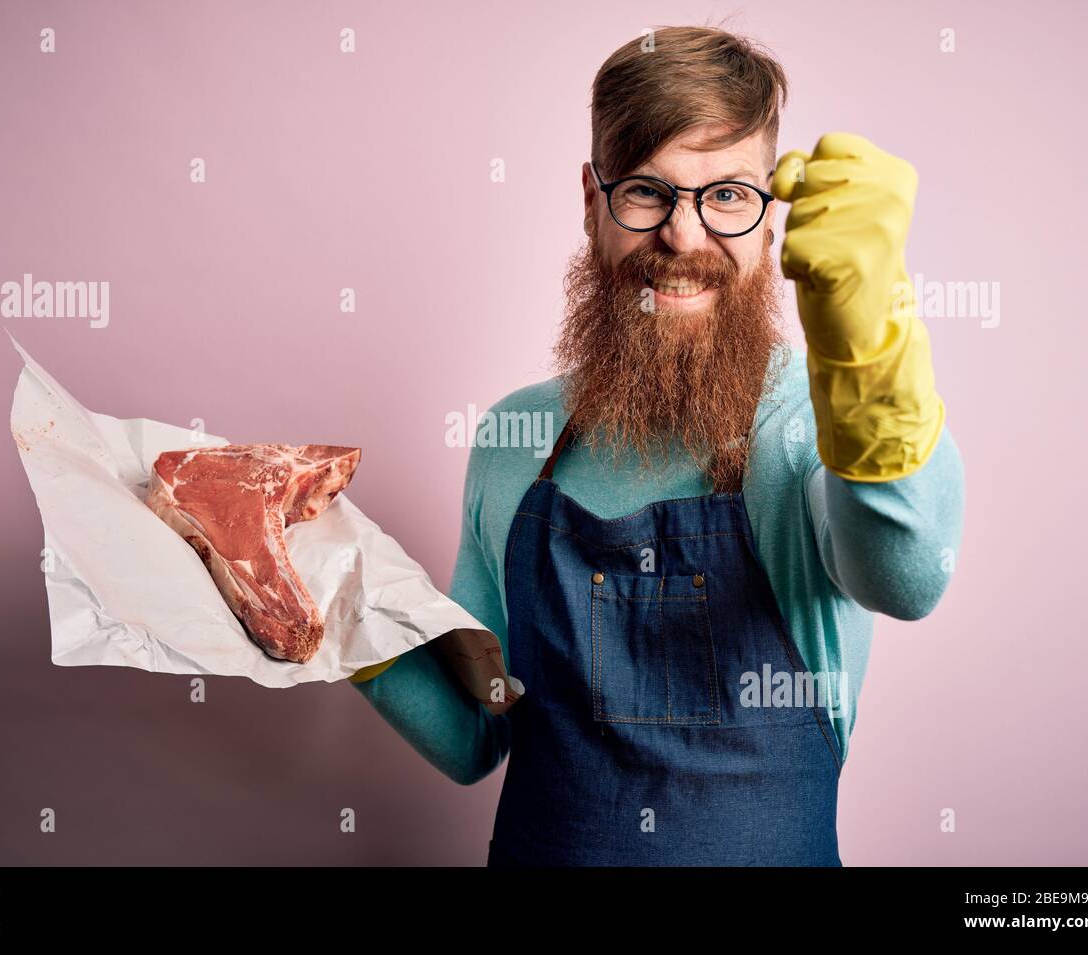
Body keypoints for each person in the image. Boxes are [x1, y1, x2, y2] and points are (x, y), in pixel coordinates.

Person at [347, 24, 965, 866]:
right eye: (646, 192)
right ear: (592, 202)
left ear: (774, 216)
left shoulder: (812, 424)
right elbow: (473, 733)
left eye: (728, 195)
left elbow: (906, 577)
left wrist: (870, 355)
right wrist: (328, 598)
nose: (683, 237)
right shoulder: (513, 439)